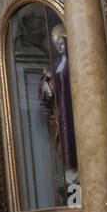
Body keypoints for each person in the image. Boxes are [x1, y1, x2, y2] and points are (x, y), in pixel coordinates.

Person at [39, 24, 78, 173]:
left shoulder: (71, 62)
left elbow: (66, 82)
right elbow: (50, 88)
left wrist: (52, 78)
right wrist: (46, 80)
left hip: (69, 106)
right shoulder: (56, 64)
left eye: (62, 44)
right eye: (57, 45)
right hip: (59, 109)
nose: (60, 47)